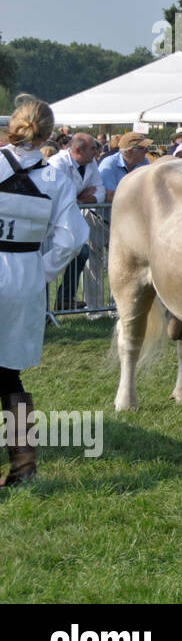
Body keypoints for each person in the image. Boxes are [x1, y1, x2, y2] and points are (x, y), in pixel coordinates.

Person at [0, 98, 90, 486]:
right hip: (24, 279)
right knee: (8, 373)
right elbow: (73, 238)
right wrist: (40, 271)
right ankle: (23, 468)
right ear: (50, 134)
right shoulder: (56, 178)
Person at [48, 133, 104, 310]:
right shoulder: (57, 163)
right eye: (93, 148)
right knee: (43, 263)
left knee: (82, 251)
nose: (97, 152)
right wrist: (79, 196)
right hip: (49, 222)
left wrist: (80, 200)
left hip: (67, 219)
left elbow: (100, 192)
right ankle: (44, 309)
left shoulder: (90, 162)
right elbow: (58, 194)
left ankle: (64, 298)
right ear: (78, 150)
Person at [99, 131, 155, 204]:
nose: (147, 151)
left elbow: (148, 189)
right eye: (143, 148)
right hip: (109, 214)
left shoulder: (144, 161)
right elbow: (109, 196)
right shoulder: (109, 164)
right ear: (130, 151)